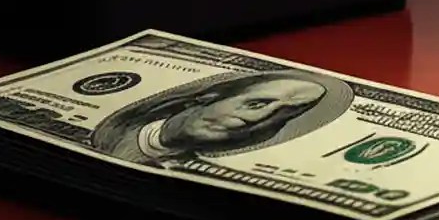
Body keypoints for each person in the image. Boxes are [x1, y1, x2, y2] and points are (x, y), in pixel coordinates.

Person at [91, 72, 328, 166]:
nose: (261, 118)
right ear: (207, 98)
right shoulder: (110, 134)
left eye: (282, 115)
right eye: (256, 104)